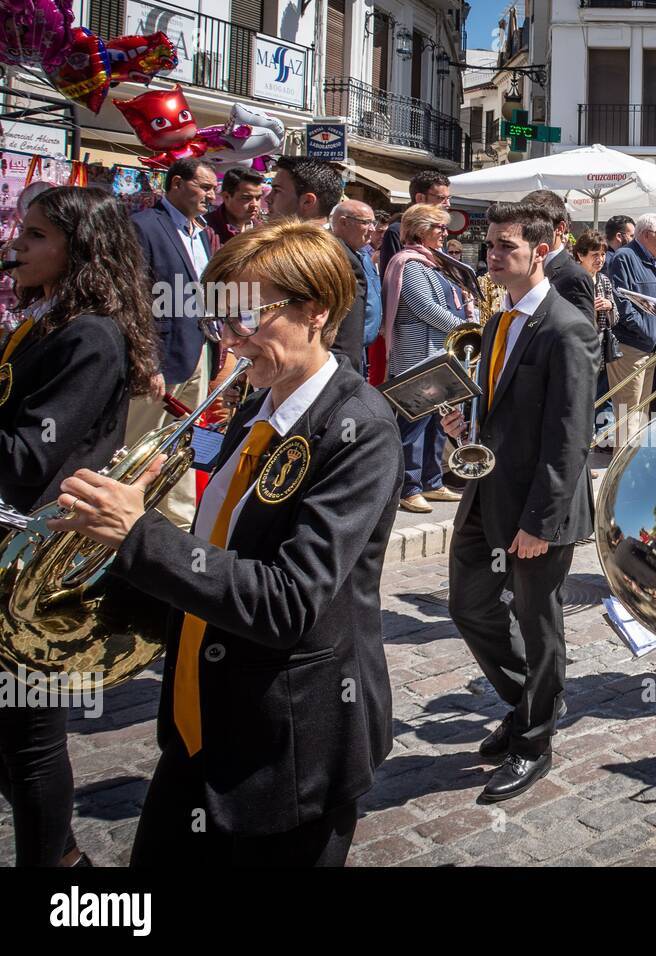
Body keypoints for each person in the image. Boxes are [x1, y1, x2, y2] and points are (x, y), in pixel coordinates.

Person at [48, 220, 402, 866]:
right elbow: (221, 550)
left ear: (315, 310)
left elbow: (289, 602)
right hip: (201, 727)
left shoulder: (359, 428)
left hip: (287, 748)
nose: (231, 343)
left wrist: (139, 534)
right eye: (219, 324)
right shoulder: (258, 405)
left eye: (246, 321)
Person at [0, 187, 159, 867]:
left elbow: (31, 455)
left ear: (78, 248)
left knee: (30, 740)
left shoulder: (90, 334)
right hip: (10, 546)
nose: (17, 247)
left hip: (33, 560)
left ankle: (60, 865)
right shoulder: (45, 321)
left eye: (35, 236)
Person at [440, 201, 600, 803]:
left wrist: (542, 521)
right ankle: (527, 699)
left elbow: (571, 437)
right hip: (487, 494)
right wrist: (468, 427)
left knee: (539, 624)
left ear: (541, 250)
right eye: (490, 245)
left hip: (537, 509)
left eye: (506, 245)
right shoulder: (497, 322)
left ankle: (534, 740)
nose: (493, 254)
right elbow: (505, 409)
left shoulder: (567, 326)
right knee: (469, 605)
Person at [124, 157, 218, 528]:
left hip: (195, 350)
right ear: (177, 184)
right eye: (205, 187)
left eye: (213, 188)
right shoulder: (143, 227)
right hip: (159, 358)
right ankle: (123, 521)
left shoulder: (202, 233)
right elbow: (133, 301)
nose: (212, 195)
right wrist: (146, 360)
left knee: (183, 442)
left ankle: (177, 523)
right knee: (140, 444)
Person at [383, 204, 465, 512]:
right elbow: (424, 307)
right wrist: (466, 328)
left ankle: (432, 482)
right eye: (439, 227)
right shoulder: (411, 264)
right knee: (414, 424)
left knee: (436, 422)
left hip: (436, 354)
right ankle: (408, 487)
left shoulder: (430, 263)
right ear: (419, 229)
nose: (445, 233)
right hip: (417, 355)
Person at [267, 156, 365, 372]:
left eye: (277, 190)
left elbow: (345, 347)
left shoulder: (339, 258)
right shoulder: (271, 247)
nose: (267, 197)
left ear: (308, 202)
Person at [604, 214, 656, 447]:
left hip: (648, 347)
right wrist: (647, 332)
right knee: (628, 416)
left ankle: (632, 468)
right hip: (632, 347)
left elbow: (653, 302)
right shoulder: (624, 257)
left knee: (639, 415)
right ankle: (621, 475)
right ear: (647, 234)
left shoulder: (651, 261)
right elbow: (622, 302)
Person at [575, 229, 619, 457]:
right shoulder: (573, 279)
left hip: (601, 348)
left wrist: (610, 307)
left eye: (602, 254)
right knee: (582, 402)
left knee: (603, 399)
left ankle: (603, 443)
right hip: (580, 351)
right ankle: (583, 451)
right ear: (580, 255)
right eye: (594, 254)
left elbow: (617, 316)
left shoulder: (604, 280)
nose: (600, 259)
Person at [524, 189, 596, 323]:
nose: (530, 231)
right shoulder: (525, 266)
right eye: (526, 225)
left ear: (560, 229)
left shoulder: (575, 276)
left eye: (538, 225)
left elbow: (583, 334)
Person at [329, 200, 380, 381]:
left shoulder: (360, 253)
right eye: (366, 222)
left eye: (373, 223)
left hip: (359, 348)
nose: (372, 229)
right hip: (341, 356)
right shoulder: (335, 255)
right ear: (343, 222)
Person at [380, 171, 452, 279]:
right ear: (420, 198)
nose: (448, 204)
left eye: (449, 198)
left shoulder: (439, 231)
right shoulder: (396, 231)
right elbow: (391, 278)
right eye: (441, 198)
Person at [205, 167, 263, 250]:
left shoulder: (262, 231)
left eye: (258, 198)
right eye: (246, 198)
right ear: (226, 197)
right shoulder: (206, 230)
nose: (254, 204)